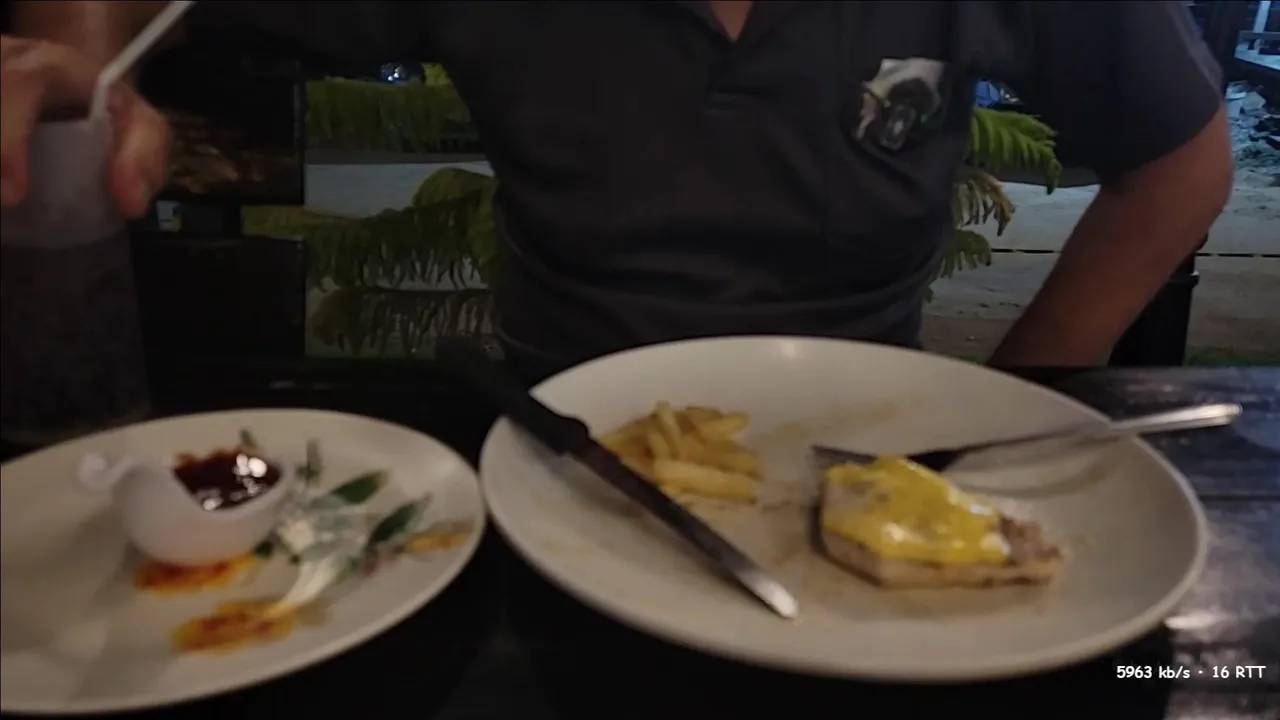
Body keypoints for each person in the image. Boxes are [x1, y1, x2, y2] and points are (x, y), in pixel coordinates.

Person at [2, 1, 1233, 381]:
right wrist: (75, 62)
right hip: (555, 442)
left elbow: (1179, 160)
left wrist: (1021, 404)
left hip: (859, 440)